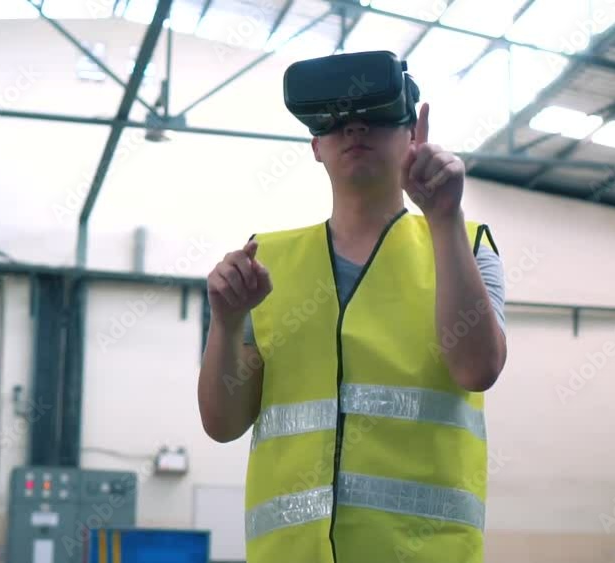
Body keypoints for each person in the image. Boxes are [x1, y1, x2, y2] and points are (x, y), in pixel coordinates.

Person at [197, 58, 507, 563]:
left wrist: (444, 217)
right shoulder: (263, 263)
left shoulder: (467, 247)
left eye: (376, 114)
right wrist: (226, 323)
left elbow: (477, 369)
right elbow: (222, 423)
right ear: (315, 145)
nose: (355, 127)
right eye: (334, 119)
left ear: (413, 135)